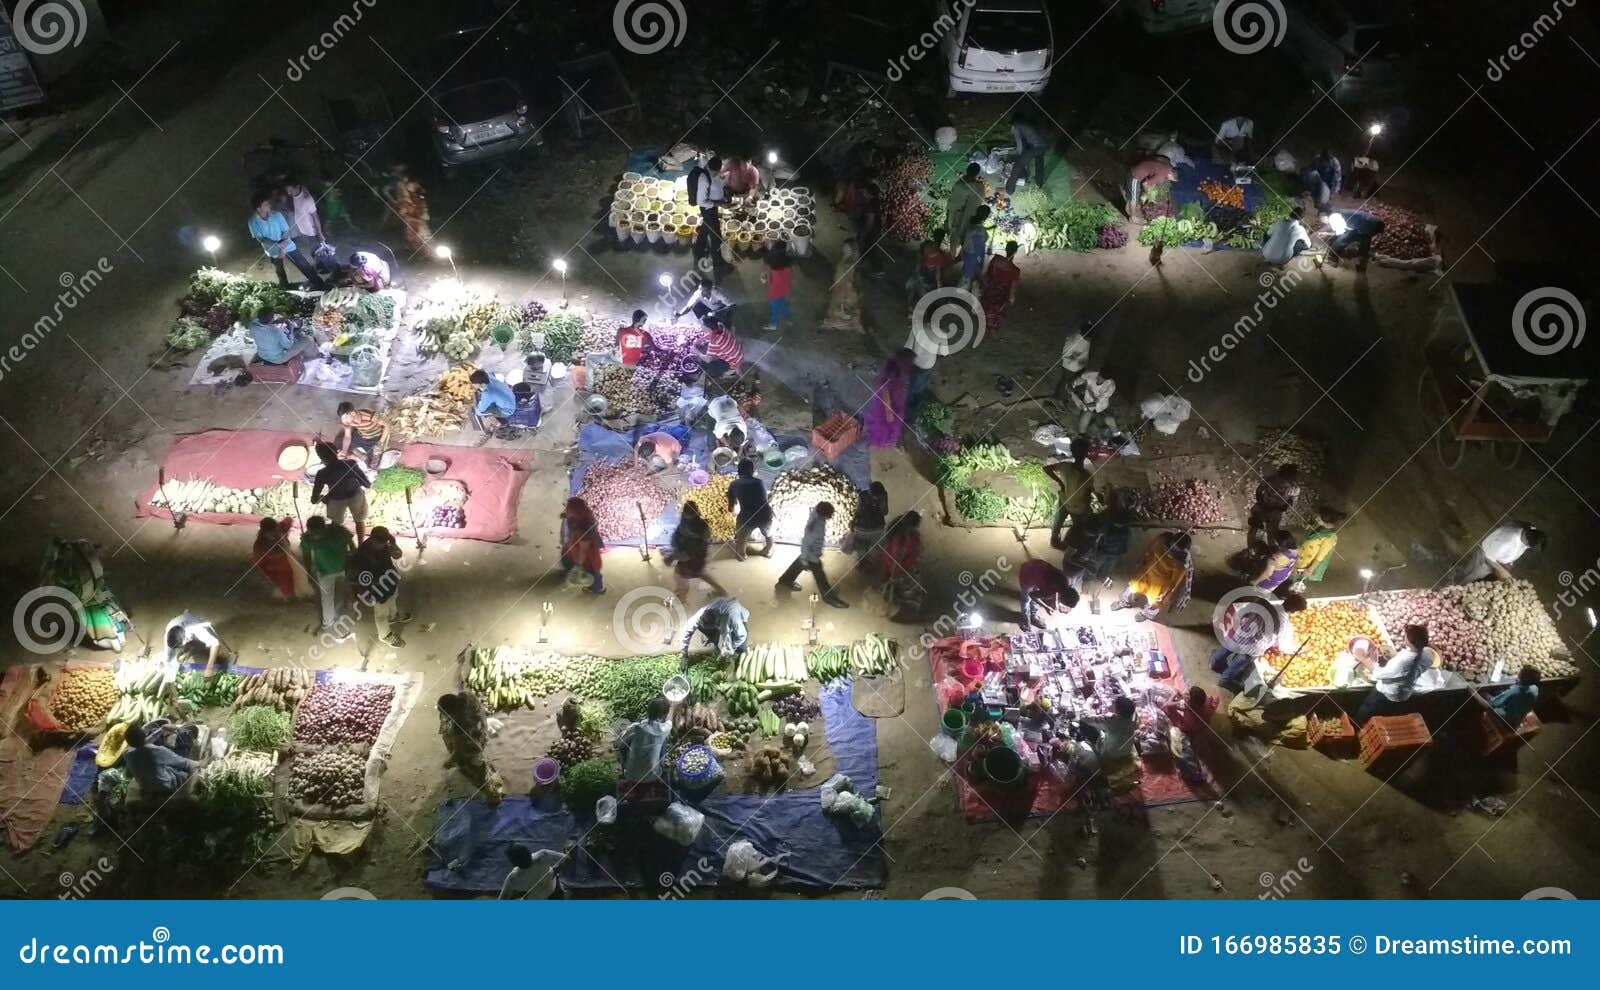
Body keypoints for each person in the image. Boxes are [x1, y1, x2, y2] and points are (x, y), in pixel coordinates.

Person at [249, 193, 327, 290]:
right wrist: (278, 246)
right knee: (279, 270)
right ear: (258, 208)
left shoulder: (276, 215)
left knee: (303, 264)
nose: (269, 205)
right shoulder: (253, 222)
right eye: (266, 204)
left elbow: (286, 231)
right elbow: (261, 238)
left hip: (287, 245)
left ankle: (320, 284)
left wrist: (282, 248)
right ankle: (285, 289)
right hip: (272, 250)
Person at [1354, 624, 1430, 724]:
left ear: (1410, 642)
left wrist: (1363, 658)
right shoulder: (1427, 655)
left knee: (1368, 711)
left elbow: (1378, 673)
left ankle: (1358, 726)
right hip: (1404, 693)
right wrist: (1393, 658)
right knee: (1387, 714)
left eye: (1405, 636)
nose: (1404, 637)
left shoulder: (1403, 662)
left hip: (1387, 694)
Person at [777, 502, 847, 607]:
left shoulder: (816, 513)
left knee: (798, 565)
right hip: (811, 556)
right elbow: (806, 543)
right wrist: (805, 559)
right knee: (820, 575)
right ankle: (828, 597)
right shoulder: (815, 528)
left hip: (810, 553)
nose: (830, 517)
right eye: (829, 515)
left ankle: (785, 580)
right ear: (824, 515)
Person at [438, 691, 504, 803]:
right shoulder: (467, 697)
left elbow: (459, 751)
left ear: (451, 712)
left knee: (478, 772)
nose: (443, 716)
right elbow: (480, 713)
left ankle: (494, 796)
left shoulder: (459, 728)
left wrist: (449, 762)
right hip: (479, 733)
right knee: (477, 760)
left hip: (471, 748)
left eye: (445, 714)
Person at [1115, 531, 1194, 621]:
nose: (1171, 550)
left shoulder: (1181, 564)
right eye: (1172, 546)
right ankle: (1124, 602)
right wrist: (1142, 559)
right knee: (1132, 587)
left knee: (1155, 602)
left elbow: (1174, 582)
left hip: (1161, 582)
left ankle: (1147, 614)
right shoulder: (1161, 540)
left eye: (1175, 551)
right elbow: (1149, 548)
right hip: (1148, 571)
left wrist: (1164, 594)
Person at [354, 526, 410, 648]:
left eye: (384, 543)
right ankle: (385, 635)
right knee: (380, 613)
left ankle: (393, 616)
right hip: (376, 586)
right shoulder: (363, 553)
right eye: (380, 543)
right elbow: (361, 576)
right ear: (372, 538)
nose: (382, 546)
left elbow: (397, 556)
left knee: (393, 598)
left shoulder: (385, 543)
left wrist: (393, 543)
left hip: (390, 578)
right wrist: (367, 591)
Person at [301, 515, 355, 635]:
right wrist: (308, 572)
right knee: (327, 598)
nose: (316, 536)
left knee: (339, 595)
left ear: (324, 527)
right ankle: (328, 623)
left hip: (342, 569)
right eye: (313, 533)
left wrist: (353, 562)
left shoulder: (339, 531)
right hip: (325, 572)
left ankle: (335, 620)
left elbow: (351, 545)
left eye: (318, 533)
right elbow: (306, 556)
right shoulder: (308, 538)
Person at [309, 440, 371, 544]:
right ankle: (361, 544)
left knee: (336, 524)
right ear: (336, 452)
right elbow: (366, 484)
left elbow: (314, 499)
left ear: (321, 458)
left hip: (336, 499)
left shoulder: (322, 473)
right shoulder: (350, 464)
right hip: (355, 494)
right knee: (359, 521)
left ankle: (338, 544)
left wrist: (324, 498)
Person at [1080, 695, 1141, 795]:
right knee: (1109, 732)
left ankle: (1091, 743)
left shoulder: (1113, 720)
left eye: (1115, 706)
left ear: (1119, 711)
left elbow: (1085, 717)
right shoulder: (1134, 716)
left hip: (1110, 752)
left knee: (1084, 724)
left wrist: (1089, 701)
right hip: (1126, 750)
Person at [667, 502, 727, 601]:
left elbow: (688, 552)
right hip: (698, 558)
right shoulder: (698, 525)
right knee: (701, 573)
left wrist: (671, 557)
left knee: (680, 577)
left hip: (691, 559)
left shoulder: (693, 528)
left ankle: (681, 597)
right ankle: (721, 591)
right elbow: (679, 535)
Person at [1452, 522, 1545, 583]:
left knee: (1470, 568)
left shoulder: (1531, 529)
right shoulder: (1507, 542)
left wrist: (1510, 562)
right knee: (1473, 574)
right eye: (1528, 546)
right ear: (1526, 539)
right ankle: (1456, 586)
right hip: (1486, 555)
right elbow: (1488, 558)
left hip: (1496, 554)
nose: (1527, 548)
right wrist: (1502, 570)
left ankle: (1460, 574)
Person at [122, 724, 198, 797]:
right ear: (144, 734)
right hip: (165, 786)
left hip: (146, 788)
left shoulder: (127, 753)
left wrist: (161, 730)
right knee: (184, 741)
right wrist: (197, 763)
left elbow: (141, 743)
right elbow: (184, 763)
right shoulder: (156, 751)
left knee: (159, 762)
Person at [618, 696, 673, 793]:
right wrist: (673, 706)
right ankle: (662, 765)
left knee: (626, 744)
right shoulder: (663, 730)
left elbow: (620, 744)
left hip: (630, 775)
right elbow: (669, 721)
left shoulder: (636, 728)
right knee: (664, 742)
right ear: (663, 715)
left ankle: (624, 768)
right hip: (653, 776)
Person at [1164, 686, 1219, 784]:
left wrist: (1174, 694)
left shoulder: (1186, 705)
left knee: (1169, 711)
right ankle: (1197, 771)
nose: (1186, 694)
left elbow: (1168, 705)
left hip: (1188, 728)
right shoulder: (1208, 702)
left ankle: (1194, 774)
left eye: (1188, 694)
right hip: (1202, 725)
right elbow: (1215, 700)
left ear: (1191, 700)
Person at [865, 348, 915, 448]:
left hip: (894, 401)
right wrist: (888, 410)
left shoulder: (900, 370)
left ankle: (883, 441)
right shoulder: (894, 371)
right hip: (888, 404)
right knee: (883, 426)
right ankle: (880, 440)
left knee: (887, 426)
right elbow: (884, 388)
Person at [880, 511, 925, 622]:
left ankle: (901, 613)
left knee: (904, 593)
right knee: (910, 594)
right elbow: (897, 558)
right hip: (901, 571)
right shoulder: (900, 539)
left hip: (903, 568)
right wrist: (893, 575)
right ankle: (903, 615)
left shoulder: (905, 533)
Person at [681, 596, 751, 666]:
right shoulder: (700, 615)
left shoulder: (732, 615)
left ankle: (735, 654)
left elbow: (742, 635)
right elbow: (686, 633)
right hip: (719, 609)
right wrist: (684, 656)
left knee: (741, 648)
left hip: (737, 613)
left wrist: (732, 647)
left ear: (717, 622)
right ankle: (715, 638)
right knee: (713, 636)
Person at [252, 517, 309, 602]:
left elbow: (288, 520)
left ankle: (292, 593)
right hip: (272, 563)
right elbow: (259, 559)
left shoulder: (280, 529)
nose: (272, 534)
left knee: (292, 575)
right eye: (269, 533)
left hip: (285, 558)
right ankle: (288, 595)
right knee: (283, 575)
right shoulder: (260, 543)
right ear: (264, 532)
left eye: (274, 531)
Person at [727, 458, 774, 560]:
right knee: (768, 534)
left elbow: (731, 508)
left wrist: (733, 508)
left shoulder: (734, 484)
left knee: (741, 538)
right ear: (752, 471)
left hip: (747, 516)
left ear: (739, 471)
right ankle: (768, 551)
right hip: (765, 514)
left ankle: (741, 555)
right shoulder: (759, 482)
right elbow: (764, 498)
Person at [1247, 463, 1301, 548]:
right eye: (1281, 479)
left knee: (1271, 535)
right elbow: (1258, 491)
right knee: (1255, 529)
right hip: (1262, 507)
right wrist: (1263, 504)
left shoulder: (1294, 489)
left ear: (1291, 480)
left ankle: (1267, 553)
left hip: (1274, 511)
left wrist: (1279, 509)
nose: (1282, 485)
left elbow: (1291, 503)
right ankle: (1251, 549)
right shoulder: (1270, 479)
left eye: (1285, 482)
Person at [1018, 558, 1080, 630]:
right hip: (1027, 573)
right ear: (1062, 598)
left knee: (1037, 593)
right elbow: (1032, 595)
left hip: (1036, 564)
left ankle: (1033, 616)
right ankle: (1026, 619)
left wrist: (1055, 602)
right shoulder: (1049, 592)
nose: (1063, 605)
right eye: (1064, 604)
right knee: (1025, 599)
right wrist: (1046, 607)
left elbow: (1058, 589)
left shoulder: (1066, 580)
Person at [559, 497, 605, 594]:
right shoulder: (582, 516)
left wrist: (579, 564)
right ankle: (594, 586)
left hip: (588, 558)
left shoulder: (583, 528)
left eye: (568, 508)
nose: (566, 509)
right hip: (577, 551)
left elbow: (584, 549)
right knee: (590, 571)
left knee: (593, 573)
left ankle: (597, 589)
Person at [1292, 506, 1345, 587]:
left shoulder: (1330, 537)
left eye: (1319, 518)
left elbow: (1320, 557)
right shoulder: (1319, 526)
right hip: (1299, 559)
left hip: (1305, 566)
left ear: (1325, 521)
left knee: (1296, 585)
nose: (1316, 519)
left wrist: (1309, 570)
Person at [164, 610, 228, 674]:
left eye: (185, 641)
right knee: (178, 653)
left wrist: (209, 668)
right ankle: (190, 650)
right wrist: (170, 669)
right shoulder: (169, 634)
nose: (184, 644)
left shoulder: (196, 629)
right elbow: (168, 658)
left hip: (194, 621)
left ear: (185, 636)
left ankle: (195, 647)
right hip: (179, 620)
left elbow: (215, 643)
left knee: (208, 643)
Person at [979, 239, 1022, 334]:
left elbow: (986, 274)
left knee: (988, 306)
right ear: (1015, 252)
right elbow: (1013, 287)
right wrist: (1012, 298)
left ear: (1006, 249)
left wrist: (984, 286)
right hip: (1002, 293)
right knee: (998, 311)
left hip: (990, 288)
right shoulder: (1015, 270)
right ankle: (992, 328)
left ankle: (984, 325)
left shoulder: (995, 260)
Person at [820, 238, 863, 332]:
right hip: (839, 286)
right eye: (844, 247)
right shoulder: (846, 259)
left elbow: (850, 279)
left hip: (843, 288)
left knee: (839, 307)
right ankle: (839, 322)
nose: (844, 249)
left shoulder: (849, 263)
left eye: (847, 247)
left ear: (852, 250)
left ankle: (840, 324)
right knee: (838, 307)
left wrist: (844, 289)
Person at [691, 155, 726, 265]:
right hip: (707, 209)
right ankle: (718, 263)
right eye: (718, 171)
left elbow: (717, 185)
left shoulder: (714, 175)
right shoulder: (704, 179)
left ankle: (698, 250)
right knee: (716, 236)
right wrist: (717, 202)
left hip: (713, 207)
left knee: (706, 227)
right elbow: (701, 201)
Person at [500, 843, 568, 900]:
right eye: (522, 858)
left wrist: (556, 870)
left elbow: (566, 859)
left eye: (527, 854)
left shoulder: (543, 855)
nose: (527, 858)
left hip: (555, 891)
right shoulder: (513, 878)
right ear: (515, 863)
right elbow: (504, 897)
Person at [249, 312, 322, 365]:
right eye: (273, 316)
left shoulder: (253, 326)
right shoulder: (276, 331)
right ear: (271, 319)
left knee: (294, 336)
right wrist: (291, 328)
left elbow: (265, 327)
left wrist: (276, 322)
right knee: (308, 339)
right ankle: (313, 357)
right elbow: (288, 346)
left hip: (262, 354)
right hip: (277, 359)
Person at [946, 163, 985, 256]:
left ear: (967, 170)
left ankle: (953, 254)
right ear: (977, 174)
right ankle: (958, 255)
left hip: (957, 215)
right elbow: (978, 200)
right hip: (966, 216)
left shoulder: (960, 183)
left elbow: (953, 200)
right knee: (963, 236)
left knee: (955, 235)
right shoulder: (978, 186)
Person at [904, 317, 940, 416]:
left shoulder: (917, 329)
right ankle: (916, 407)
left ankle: (908, 409)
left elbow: (908, 347)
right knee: (922, 384)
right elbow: (942, 352)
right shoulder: (941, 333)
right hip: (929, 364)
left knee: (913, 386)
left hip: (916, 362)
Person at [336, 402, 389, 468]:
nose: (344, 421)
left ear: (353, 413)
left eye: (345, 417)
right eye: (342, 419)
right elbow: (347, 436)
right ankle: (359, 455)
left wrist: (381, 442)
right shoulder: (348, 422)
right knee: (339, 443)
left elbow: (387, 426)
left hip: (374, 438)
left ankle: (362, 456)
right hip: (360, 436)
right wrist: (344, 451)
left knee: (374, 464)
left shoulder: (370, 416)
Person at [391, 167, 432, 253]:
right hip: (409, 212)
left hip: (417, 212)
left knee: (422, 231)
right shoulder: (400, 185)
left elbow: (420, 195)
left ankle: (426, 250)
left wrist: (420, 206)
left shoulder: (414, 185)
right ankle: (413, 249)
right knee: (411, 231)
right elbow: (401, 198)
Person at [1067, 368, 1117, 435]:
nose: (1099, 380)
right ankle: (1082, 432)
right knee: (1085, 414)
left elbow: (1098, 402)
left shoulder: (1111, 387)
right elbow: (1080, 379)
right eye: (1099, 376)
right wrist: (1072, 385)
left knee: (1093, 415)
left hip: (1100, 405)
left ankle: (1091, 424)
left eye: (1103, 379)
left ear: (1107, 379)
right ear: (1099, 373)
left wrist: (1085, 406)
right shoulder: (1091, 374)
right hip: (1087, 398)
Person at [1126, 156, 1177, 220]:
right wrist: (1147, 193)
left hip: (1138, 168)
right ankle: (1133, 217)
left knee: (1132, 195)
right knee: (1134, 197)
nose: (1169, 180)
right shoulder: (1161, 176)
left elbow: (1153, 179)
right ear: (1170, 174)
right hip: (1136, 175)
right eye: (1171, 179)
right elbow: (1144, 184)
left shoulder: (1168, 167)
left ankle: (1129, 210)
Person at [906, 232, 950, 306]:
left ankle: (912, 306)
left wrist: (938, 284)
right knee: (914, 287)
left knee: (918, 289)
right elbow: (918, 269)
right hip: (924, 278)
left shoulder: (938, 255)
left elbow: (937, 272)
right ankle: (911, 306)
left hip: (927, 279)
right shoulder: (926, 255)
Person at [848, 481, 890, 557]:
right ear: (869, 492)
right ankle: (863, 562)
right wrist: (853, 521)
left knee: (874, 552)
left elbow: (885, 512)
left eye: (877, 495)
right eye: (873, 495)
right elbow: (858, 510)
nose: (875, 497)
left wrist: (882, 503)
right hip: (863, 527)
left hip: (877, 528)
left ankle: (871, 562)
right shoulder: (863, 495)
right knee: (861, 550)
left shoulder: (883, 495)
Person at [1009, 115, 1050, 194]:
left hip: (1036, 147)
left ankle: (1009, 190)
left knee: (1018, 165)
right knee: (1039, 164)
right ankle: (1039, 184)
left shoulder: (1015, 127)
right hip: (1044, 145)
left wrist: (1010, 153)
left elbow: (1020, 149)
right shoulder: (1026, 123)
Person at [1053, 320, 1094, 399]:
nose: (1089, 340)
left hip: (1079, 366)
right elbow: (1065, 355)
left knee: (1070, 381)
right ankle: (1058, 396)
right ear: (1083, 334)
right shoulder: (1073, 340)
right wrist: (1075, 358)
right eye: (1088, 338)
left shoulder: (1087, 339)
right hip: (1070, 366)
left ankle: (1064, 394)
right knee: (1065, 381)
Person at [469, 368, 516, 435]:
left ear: (481, 384)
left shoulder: (488, 393)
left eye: (474, 384)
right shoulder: (490, 378)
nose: (472, 385)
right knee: (484, 400)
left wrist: (475, 406)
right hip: (511, 398)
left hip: (508, 410)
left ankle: (494, 426)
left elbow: (481, 409)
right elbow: (485, 371)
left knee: (476, 412)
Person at [283, 180, 324, 254]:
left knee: (317, 252)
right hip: (305, 230)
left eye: (290, 190)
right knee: (314, 250)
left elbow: (316, 217)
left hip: (312, 233)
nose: (288, 193)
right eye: (287, 191)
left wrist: (320, 234)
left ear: (297, 186)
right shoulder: (297, 194)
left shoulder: (307, 200)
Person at [761, 241, 794, 331]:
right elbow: (789, 280)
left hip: (774, 292)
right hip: (784, 290)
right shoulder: (788, 266)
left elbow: (767, 279)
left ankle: (773, 325)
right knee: (783, 305)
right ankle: (787, 319)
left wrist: (764, 279)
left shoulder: (772, 266)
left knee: (774, 310)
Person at [960, 206, 991, 291]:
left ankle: (963, 293)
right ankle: (961, 296)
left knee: (967, 274)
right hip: (974, 255)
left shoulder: (973, 223)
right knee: (969, 276)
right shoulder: (978, 230)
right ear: (985, 215)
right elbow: (977, 246)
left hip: (969, 254)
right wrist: (979, 259)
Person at [1301, 149, 1342, 214]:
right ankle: (1312, 194)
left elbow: (1337, 179)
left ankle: (1322, 204)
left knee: (1321, 201)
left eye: (1328, 159)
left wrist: (1333, 192)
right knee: (1310, 173)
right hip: (1317, 181)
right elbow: (1308, 171)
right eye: (1325, 159)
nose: (1326, 161)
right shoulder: (1317, 160)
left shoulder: (1335, 163)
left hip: (1328, 185)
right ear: (1322, 157)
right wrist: (1305, 187)